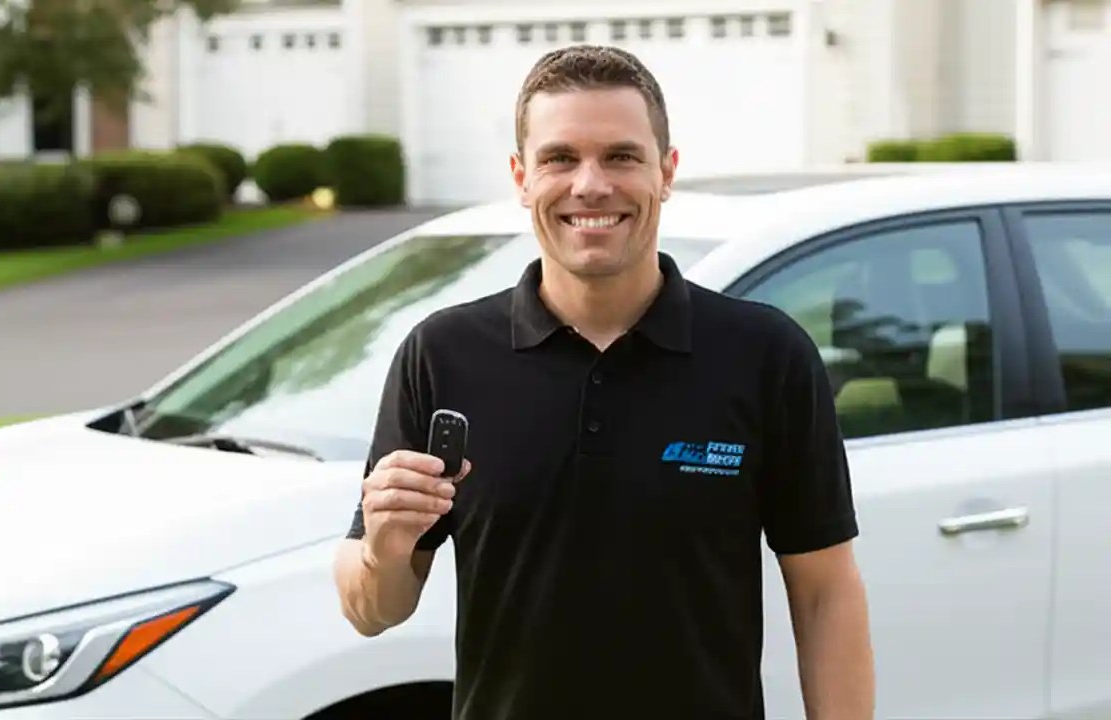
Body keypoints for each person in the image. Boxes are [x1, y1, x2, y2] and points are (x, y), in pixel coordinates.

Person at [333, 44, 875, 720]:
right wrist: (385, 547)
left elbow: (825, 592)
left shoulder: (765, 355)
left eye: (621, 156)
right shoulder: (442, 356)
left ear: (667, 172)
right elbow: (371, 610)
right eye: (560, 158)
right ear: (521, 177)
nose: (590, 185)